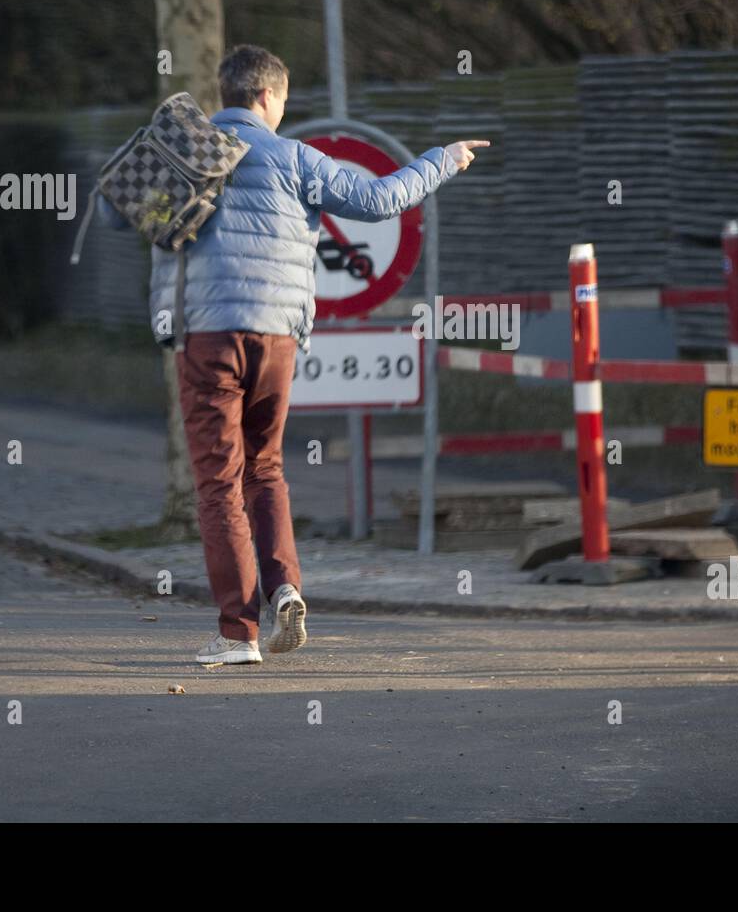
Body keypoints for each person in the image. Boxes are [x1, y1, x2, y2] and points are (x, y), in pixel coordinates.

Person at [99, 44, 489, 666]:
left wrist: (151, 156)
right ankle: (285, 589)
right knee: (267, 469)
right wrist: (443, 159)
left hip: (207, 335)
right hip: (278, 337)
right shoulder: (296, 157)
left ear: (225, 93)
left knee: (218, 482)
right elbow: (383, 200)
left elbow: (113, 214)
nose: (282, 109)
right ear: (266, 97)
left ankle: (237, 635)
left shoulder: (185, 153)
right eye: (282, 99)